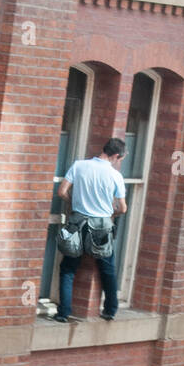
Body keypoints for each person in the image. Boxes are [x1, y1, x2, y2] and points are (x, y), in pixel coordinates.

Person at [55, 137, 127, 323]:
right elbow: (122, 208)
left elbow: (62, 192)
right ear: (116, 156)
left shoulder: (79, 166)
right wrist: (110, 214)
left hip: (78, 221)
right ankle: (110, 310)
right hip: (101, 226)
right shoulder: (115, 176)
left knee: (68, 269)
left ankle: (63, 312)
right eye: (120, 160)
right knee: (107, 269)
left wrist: (75, 204)